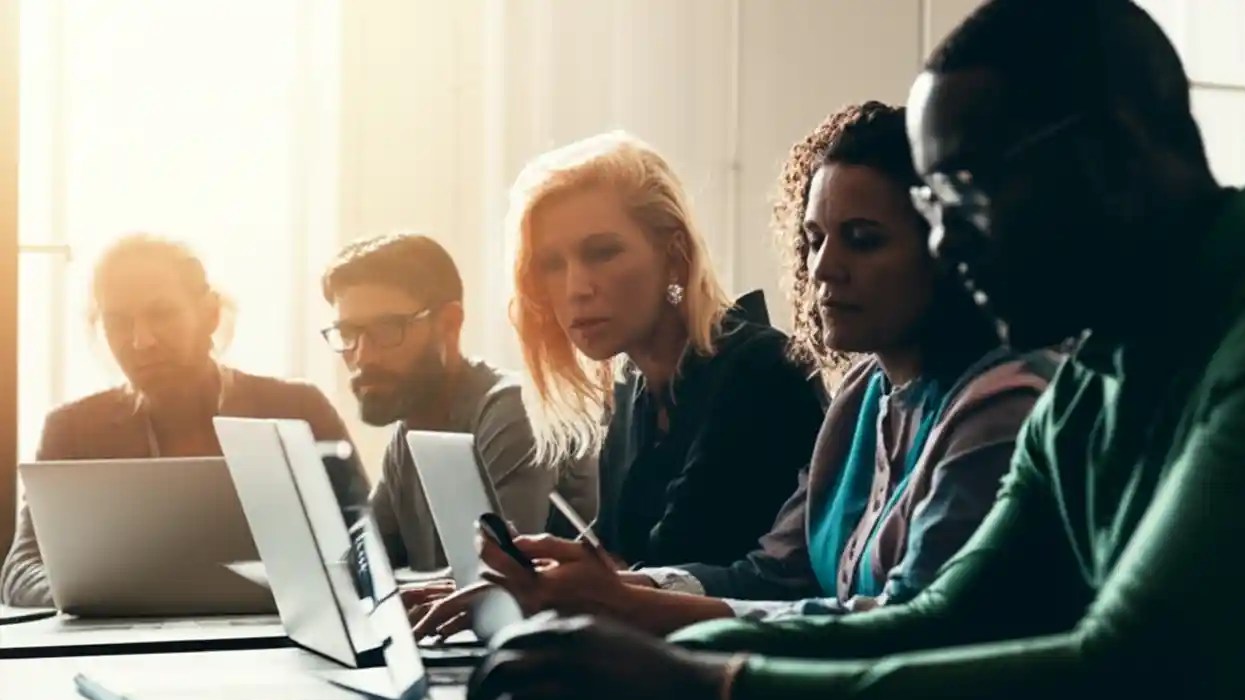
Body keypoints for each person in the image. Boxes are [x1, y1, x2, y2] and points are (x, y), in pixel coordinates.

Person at [463, 1, 1245, 700]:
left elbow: (1134, 672)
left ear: (1109, 153)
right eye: (932, 206)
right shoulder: (1092, 379)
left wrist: (705, 688)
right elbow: (945, 618)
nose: (944, 239)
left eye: (962, 192)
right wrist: (674, 660)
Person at [413, 102, 1057, 640]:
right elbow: (773, 573)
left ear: (946, 243)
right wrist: (580, 587)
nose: (823, 270)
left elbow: (908, 632)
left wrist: (621, 599)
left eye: (862, 239)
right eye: (813, 240)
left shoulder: (998, 406)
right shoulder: (863, 393)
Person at [503, 130, 826, 570]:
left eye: (602, 253)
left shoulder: (763, 373)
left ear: (674, 254)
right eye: (551, 264)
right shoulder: (629, 394)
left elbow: (687, 569)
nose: (576, 288)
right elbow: (621, 562)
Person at [0, 234, 352, 607]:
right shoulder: (72, 429)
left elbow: (360, 548)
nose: (141, 341)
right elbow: (20, 569)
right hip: (124, 646)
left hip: (276, 640)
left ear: (210, 315)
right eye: (118, 322)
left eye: (161, 315)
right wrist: (108, 596)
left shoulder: (297, 409)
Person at [321, 233, 597, 572]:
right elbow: (367, 569)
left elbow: (500, 574)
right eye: (348, 333)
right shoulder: (408, 436)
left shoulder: (513, 411)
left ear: (449, 324)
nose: (362, 356)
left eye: (387, 329)